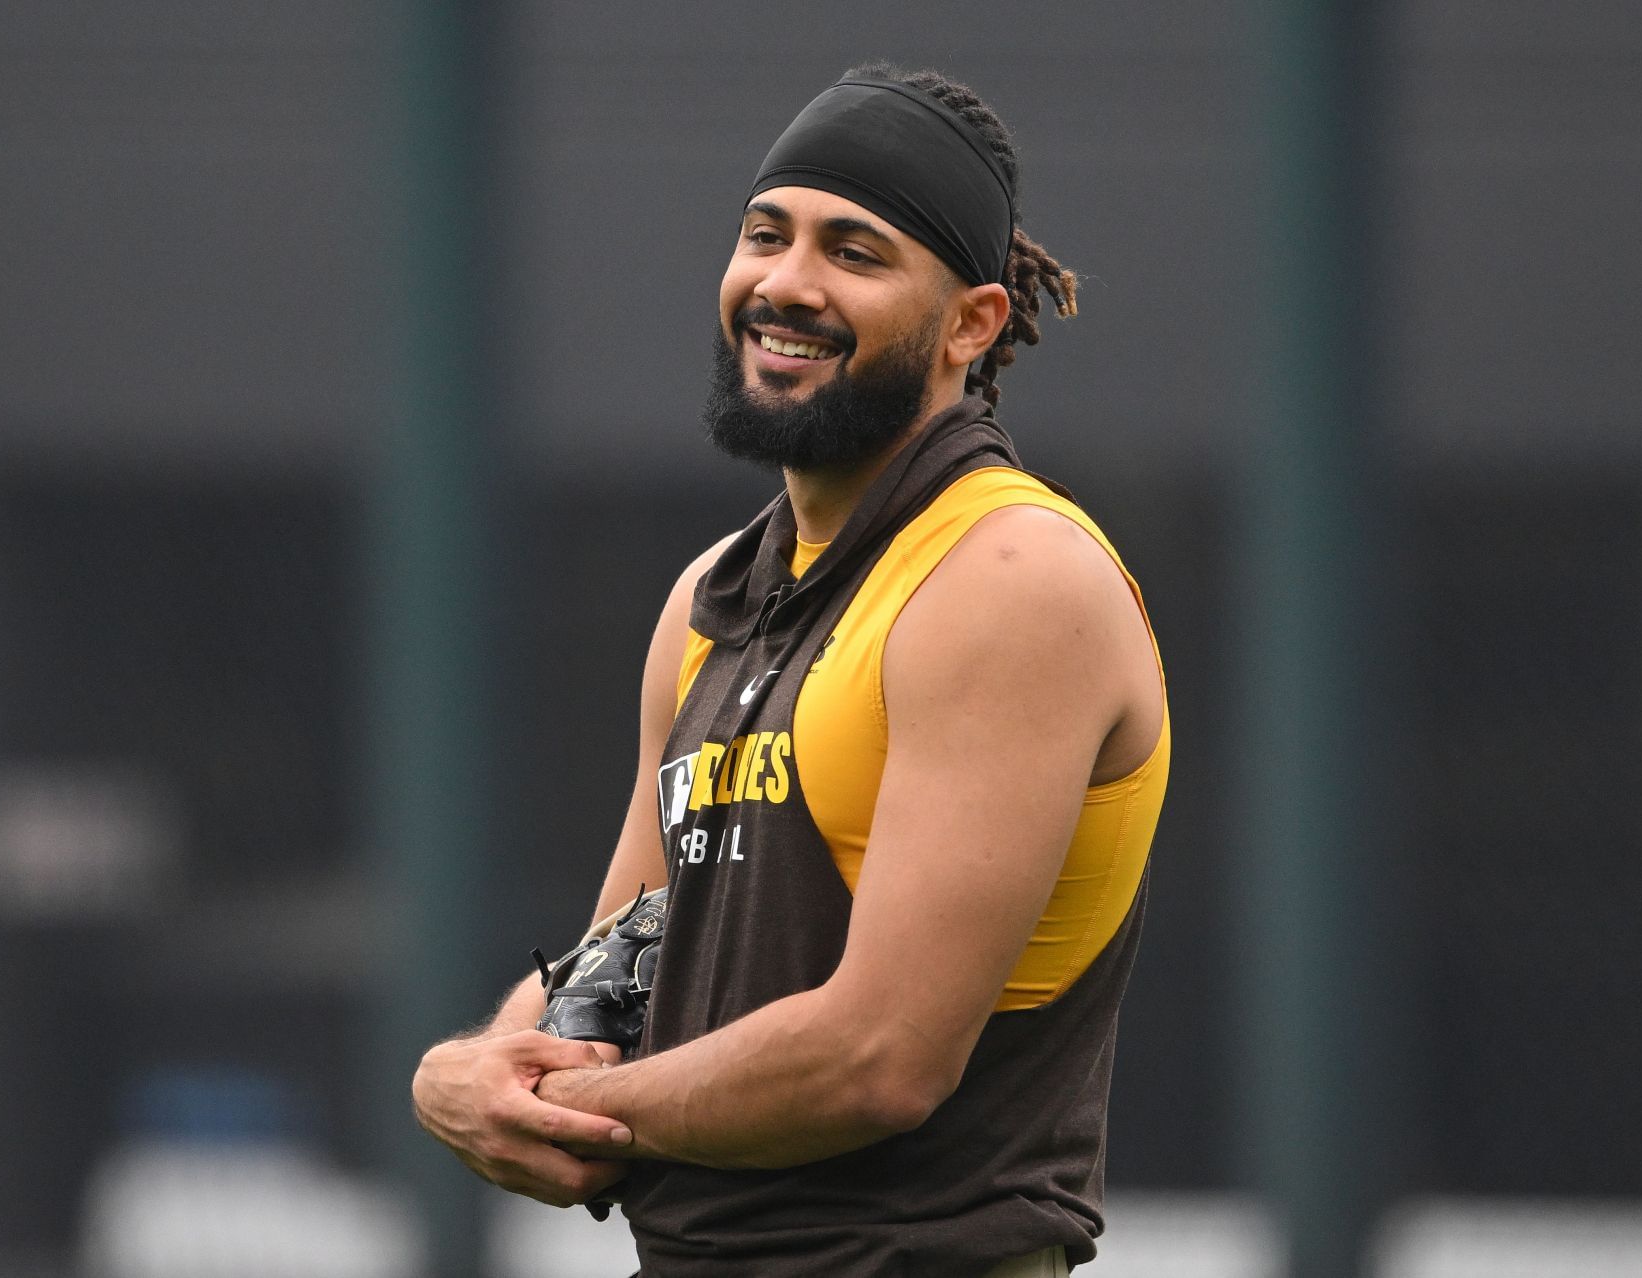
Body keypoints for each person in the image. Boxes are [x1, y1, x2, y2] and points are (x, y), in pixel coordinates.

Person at [412, 64, 1169, 1278]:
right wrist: (480, 1070)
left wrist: (585, 1112)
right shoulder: (712, 601)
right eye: (766, 235)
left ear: (973, 324)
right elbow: (622, 969)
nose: (786, 284)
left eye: (854, 253)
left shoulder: (1011, 577)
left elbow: (879, 1059)